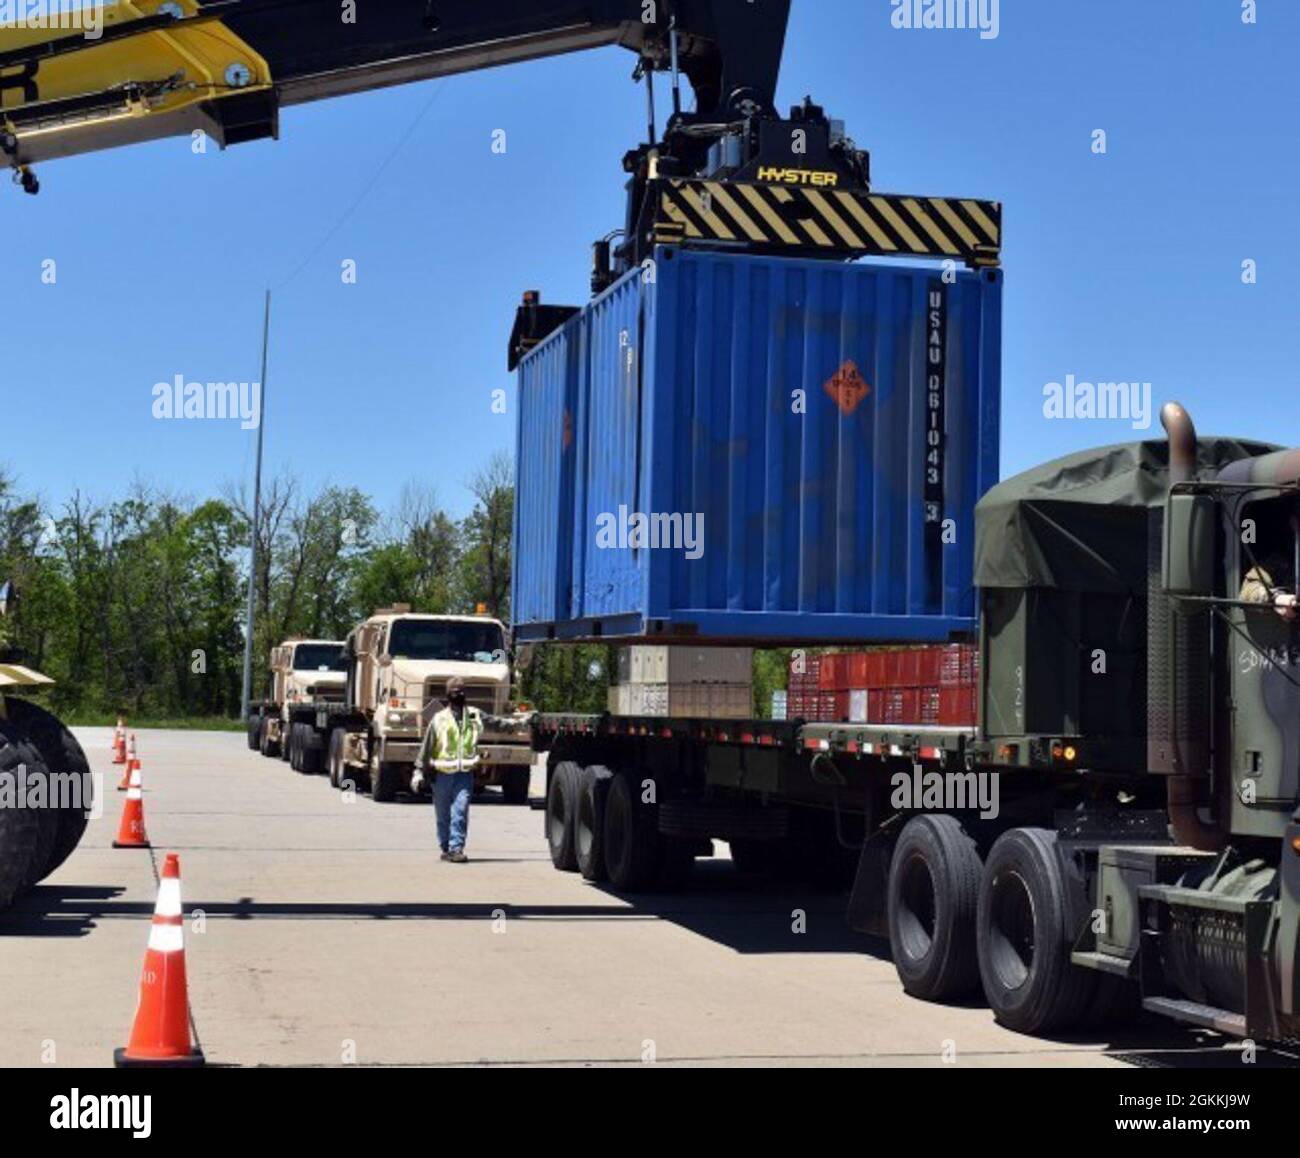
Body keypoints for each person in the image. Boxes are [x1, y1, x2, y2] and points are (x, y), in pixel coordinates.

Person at [416, 677, 483, 863]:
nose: (458, 694)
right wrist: (418, 771)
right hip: (442, 774)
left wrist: (521, 723)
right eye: (454, 691)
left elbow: (496, 723)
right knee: (443, 813)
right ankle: (445, 847)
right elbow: (427, 746)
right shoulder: (439, 718)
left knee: (460, 809)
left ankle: (456, 848)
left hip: (464, 773)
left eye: (461, 691)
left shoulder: (474, 715)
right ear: (447, 695)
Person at [1240, 551, 1297, 621]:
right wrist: (1276, 598)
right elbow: (1250, 592)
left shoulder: (1291, 576)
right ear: (1264, 561)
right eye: (1275, 560)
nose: (1281, 565)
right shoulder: (1259, 573)